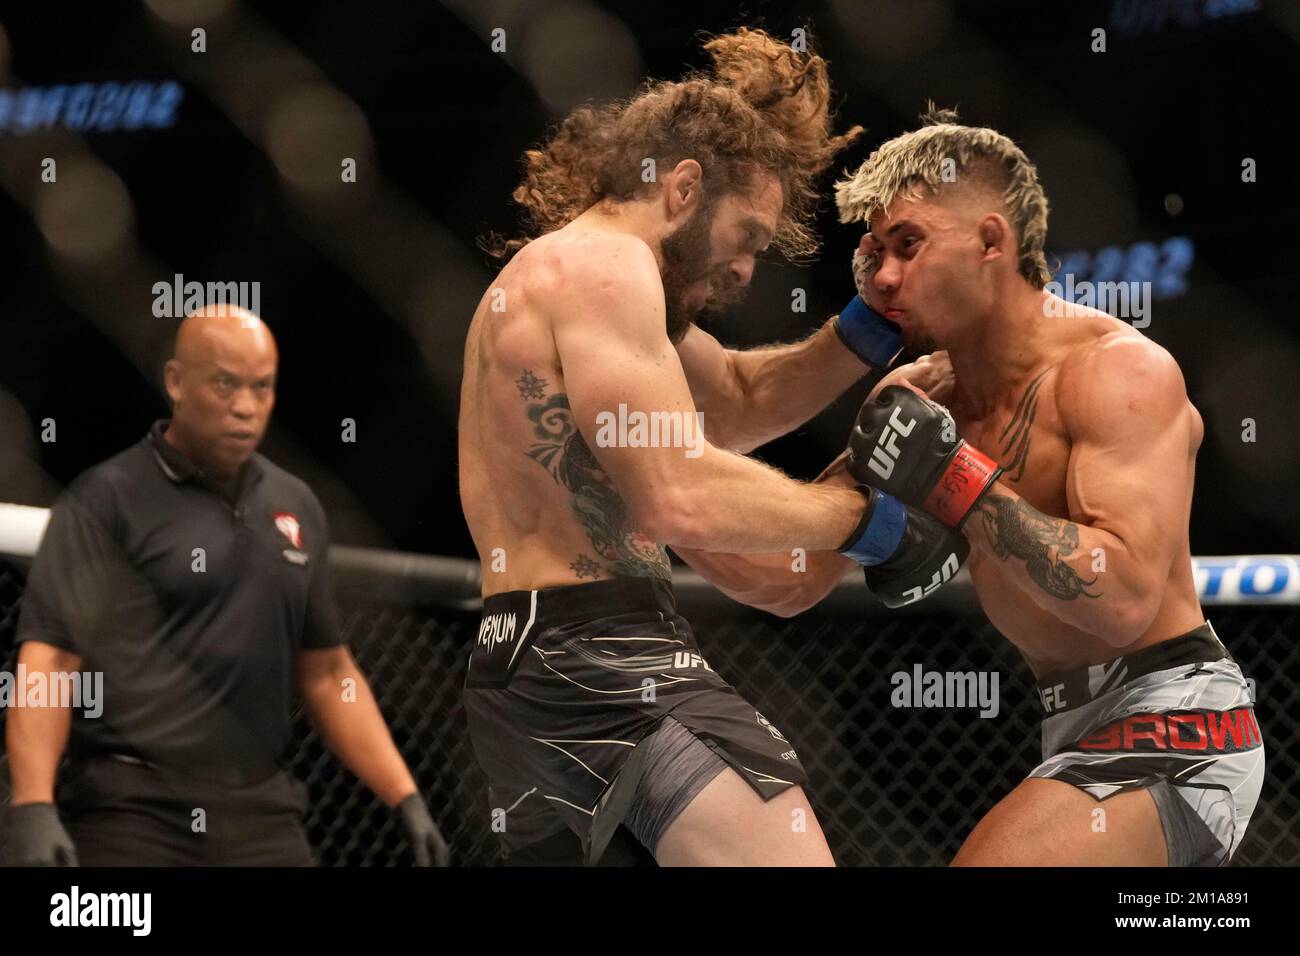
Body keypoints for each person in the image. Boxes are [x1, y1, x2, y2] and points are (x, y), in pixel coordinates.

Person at [685, 106, 1265, 866]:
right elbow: (792, 577)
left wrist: (962, 483)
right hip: (1070, 727)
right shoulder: (920, 396)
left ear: (992, 241)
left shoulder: (1116, 374)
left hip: (1178, 722)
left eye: (909, 246)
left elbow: (1122, 600)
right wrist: (660, 494)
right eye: (877, 253)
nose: (884, 277)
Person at [459, 29, 967, 866]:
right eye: (750, 237)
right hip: (604, 656)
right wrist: (867, 522)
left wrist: (873, 329)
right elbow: (674, 489)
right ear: (686, 187)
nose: (745, 270)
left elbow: (733, 400)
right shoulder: (605, 267)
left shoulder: (575, 279)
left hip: (528, 659)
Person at [5, 305, 448, 866]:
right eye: (225, 384)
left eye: (261, 388)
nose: (245, 407)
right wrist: (34, 802)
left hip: (262, 811)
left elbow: (329, 672)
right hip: (132, 810)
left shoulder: (296, 506)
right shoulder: (106, 500)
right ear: (176, 382)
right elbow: (49, 663)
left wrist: (403, 793)